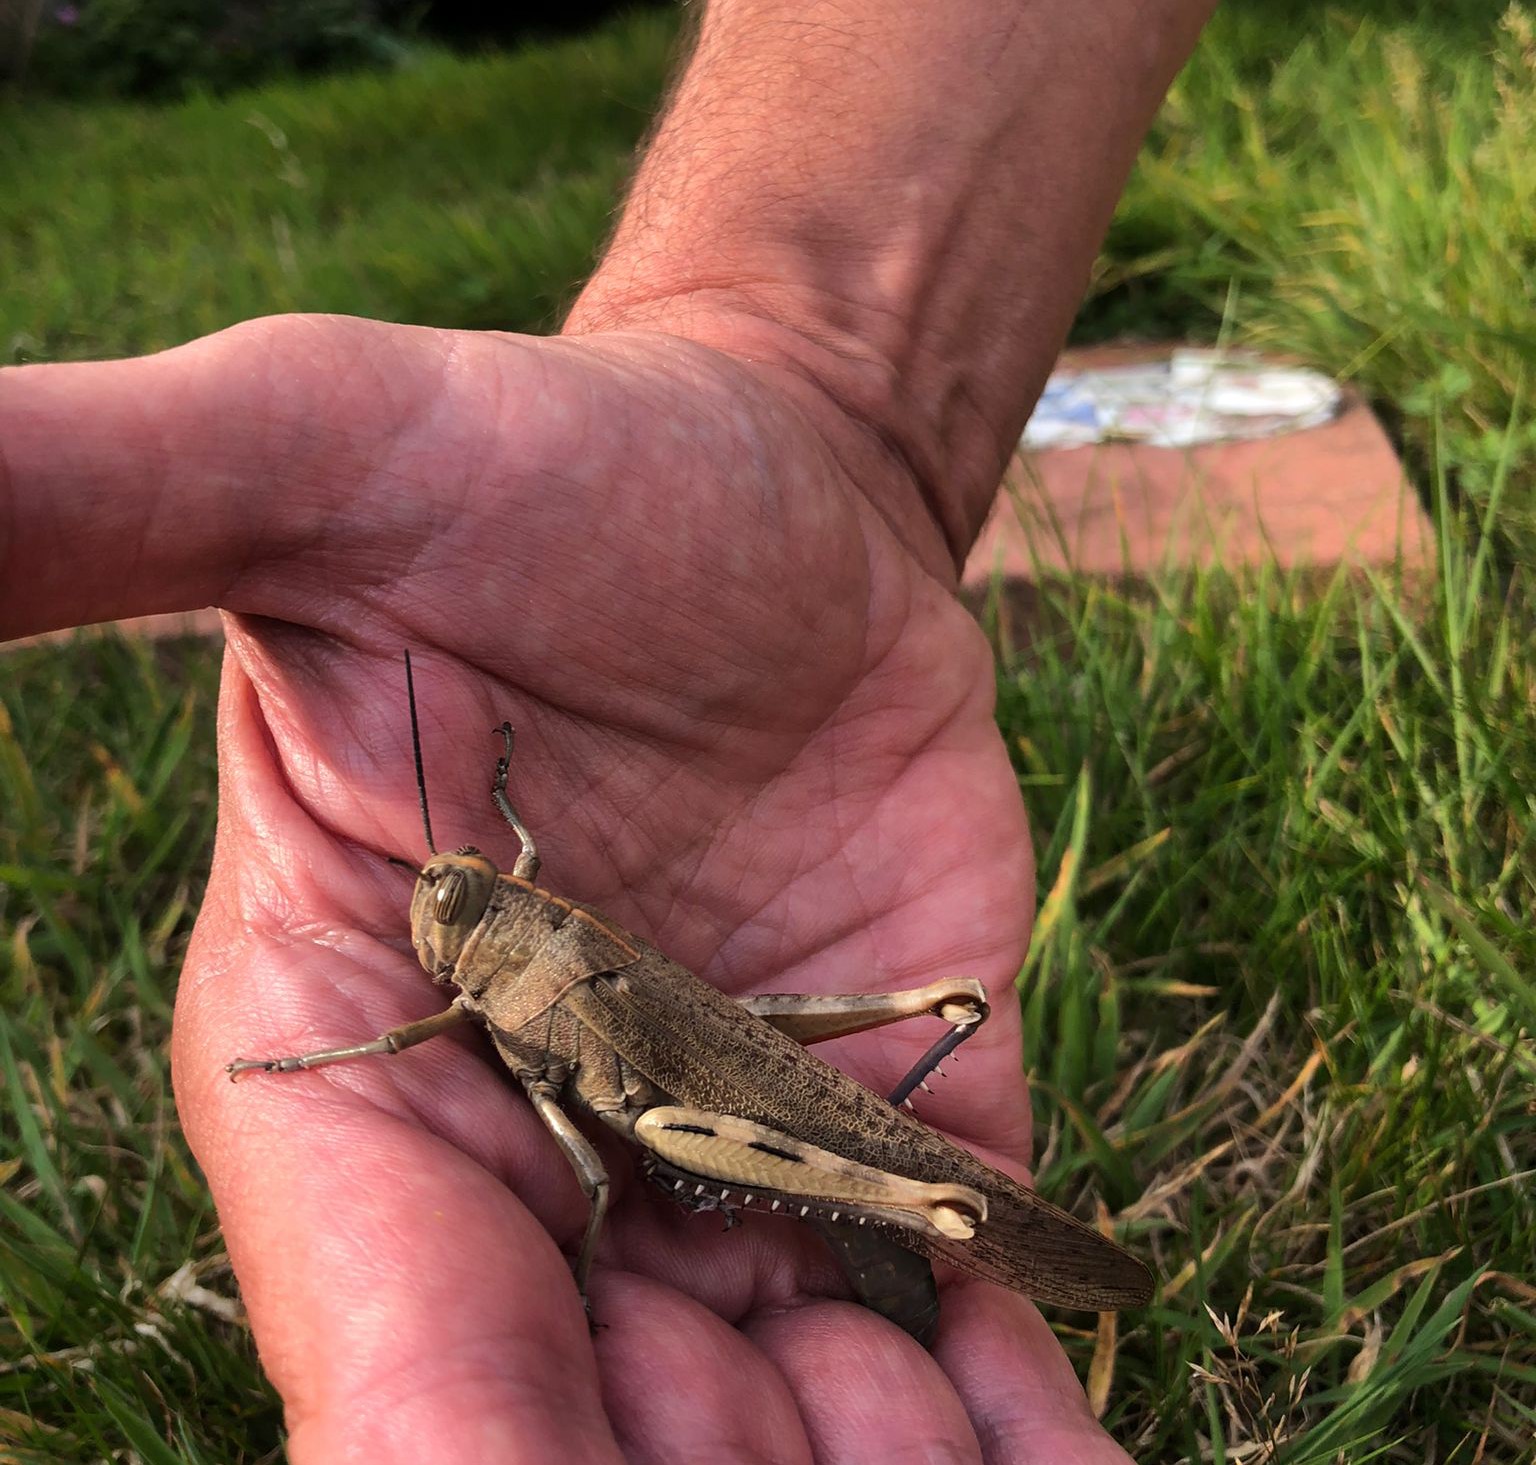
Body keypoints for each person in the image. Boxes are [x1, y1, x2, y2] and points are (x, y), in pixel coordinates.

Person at [0, 2, 1215, 1457]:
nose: (446, 900)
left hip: (703, 1105)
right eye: (462, 893)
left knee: (751, 1152)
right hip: (698, 1073)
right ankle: (925, 1199)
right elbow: (502, 864)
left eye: (465, 893)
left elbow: (593, 1161)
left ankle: (933, 1203)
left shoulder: (501, 946)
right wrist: (817, 388)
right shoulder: (522, 904)